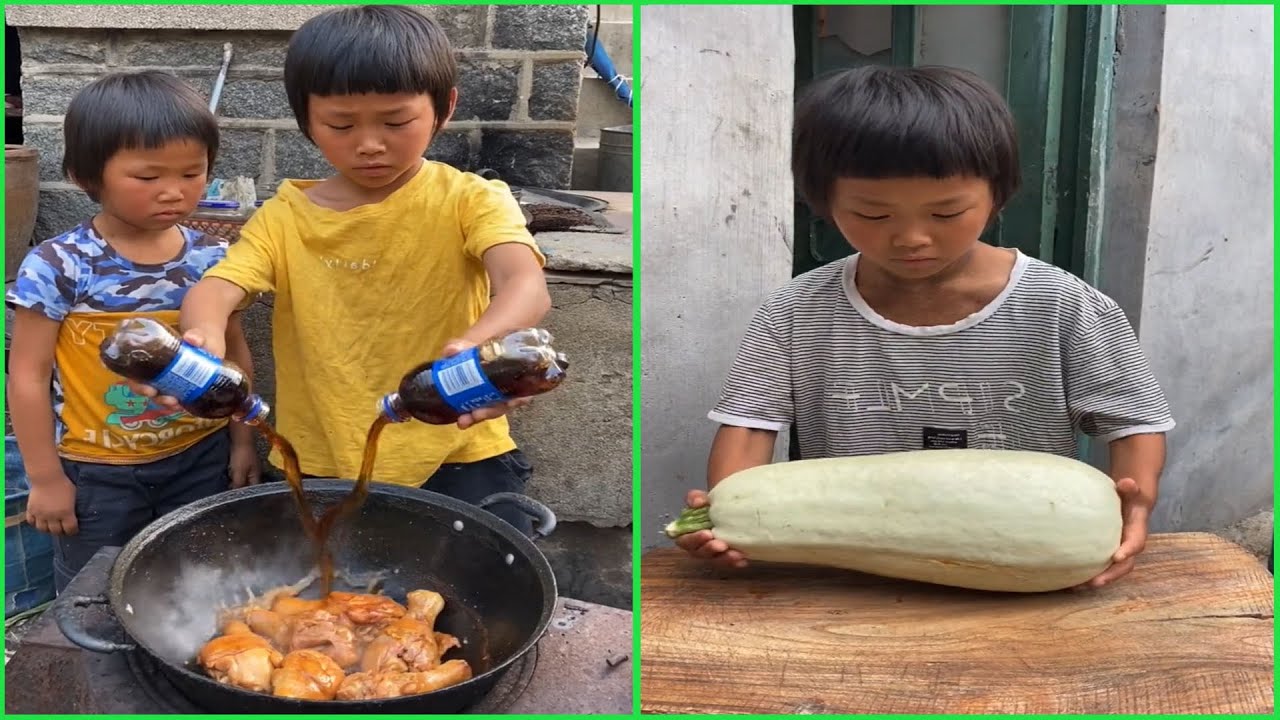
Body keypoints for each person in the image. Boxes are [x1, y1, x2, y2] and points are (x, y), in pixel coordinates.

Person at [674, 65, 1175, 589]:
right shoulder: (796, 310)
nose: (911, 238)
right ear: (824, 204)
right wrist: (727, 519)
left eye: (945, 213)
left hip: (1019, 576)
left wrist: (1136, 504)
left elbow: (1133, 420)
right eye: (872, 215)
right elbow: (751, 424)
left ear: (996, 196)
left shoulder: (1063, 304)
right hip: (852, 585)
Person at [130, 6, 551, 535]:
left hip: (458, 451)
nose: (370, 143)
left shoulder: (470, 199)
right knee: (319, 606)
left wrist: (481, 343)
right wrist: (204, 334)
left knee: (480, 602)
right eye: (341, 124)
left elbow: (524, 284)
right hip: (317, 459)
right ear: (306, 119)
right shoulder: (286, 215)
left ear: (444, 108)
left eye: (396, 121)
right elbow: (217, 288)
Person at [6, 71, 260, 593]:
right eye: (147, 177)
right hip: (97, 472)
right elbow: (28, 376)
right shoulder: (59, 265)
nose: (174, 192)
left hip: (199, 458)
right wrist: (46, 478)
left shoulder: (213, 259)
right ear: (84, 176)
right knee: (93, 593)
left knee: (201, 584)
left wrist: (242, 444)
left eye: (193, 173)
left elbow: (235, 355)